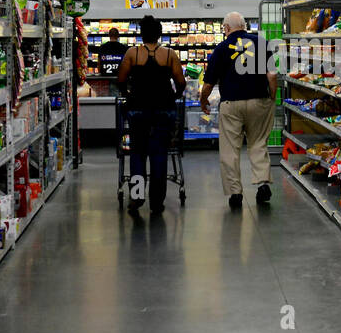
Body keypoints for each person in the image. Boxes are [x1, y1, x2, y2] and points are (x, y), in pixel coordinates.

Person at [200, 12, 277, 210]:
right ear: (244, 25)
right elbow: (272, 76)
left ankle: (235, 193)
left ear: (226, 28)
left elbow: (208, 84)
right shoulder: (261, 43)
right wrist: (272, 97)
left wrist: (203, 101)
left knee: (230, 149)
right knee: (258, 143)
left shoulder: (221, 48)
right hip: (258, 100)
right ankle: (262, 184)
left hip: (231, 104)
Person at [117, 16, 184, 213]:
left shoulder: (133, 53)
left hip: (138, 110)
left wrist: (128, 95)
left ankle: (137, 197)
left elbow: (121, 80)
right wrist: (173, 96)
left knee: (137, 153)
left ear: (141, 34)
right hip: (164, 110)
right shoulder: (170, 54)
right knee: (159, 154)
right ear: (159, 33)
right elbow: (181, 82)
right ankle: (157, 201)